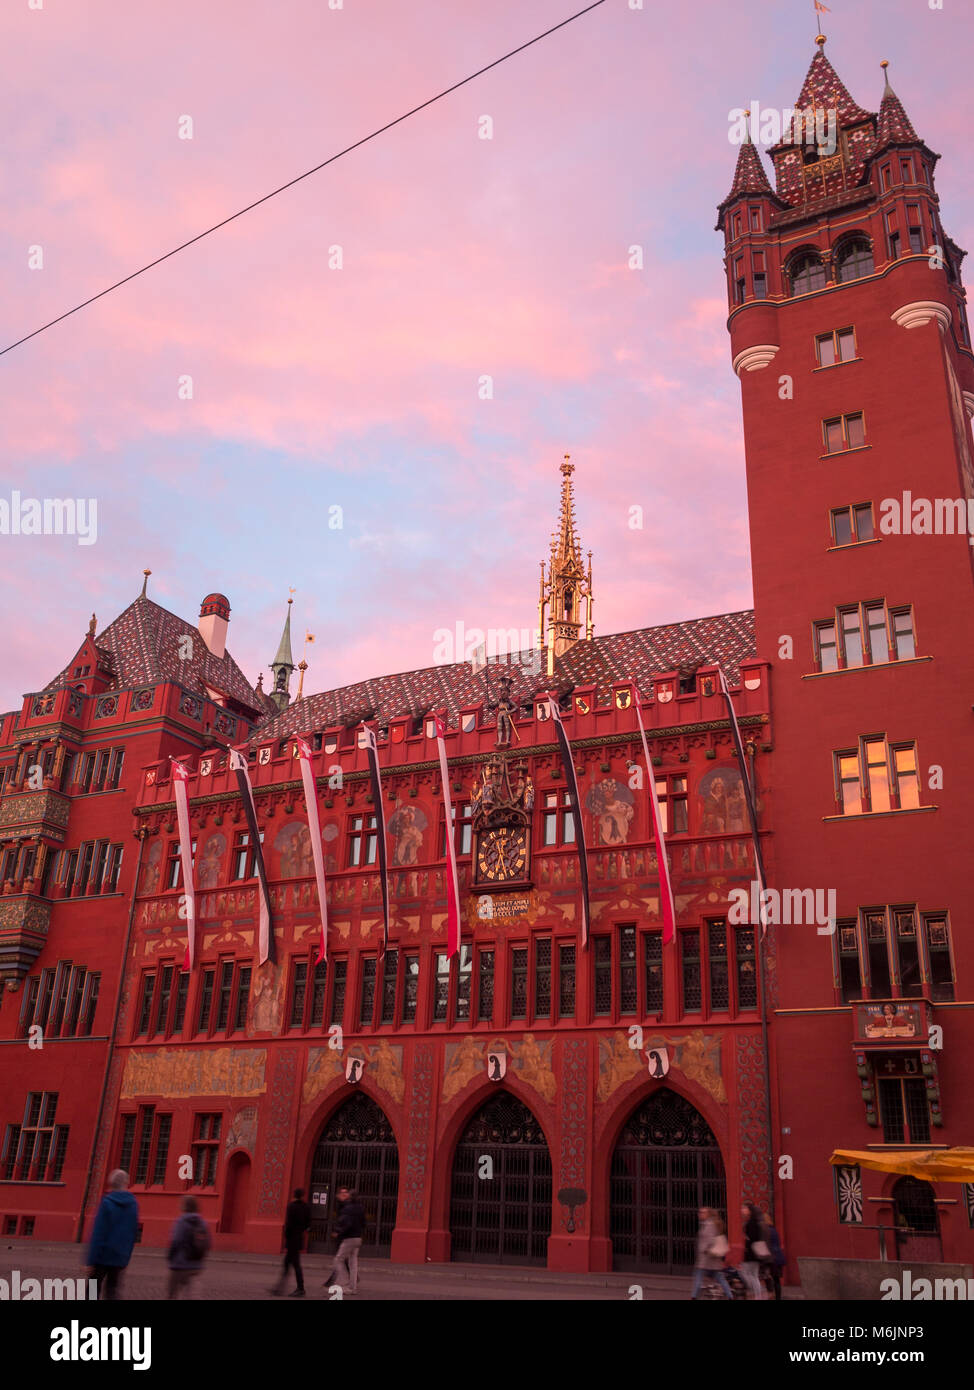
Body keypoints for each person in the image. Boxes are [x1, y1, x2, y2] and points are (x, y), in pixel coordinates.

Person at [86, 1169, 139, 1301]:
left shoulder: (107, 1203)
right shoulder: (133, 1205)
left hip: (102, 1257)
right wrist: (126, 1258)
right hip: (119, 1257)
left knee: (92, 1291)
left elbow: (99, 1233)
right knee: (112, 1291)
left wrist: (91, 1260)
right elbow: (133, 1234)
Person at [166, 1195, 211, 1299]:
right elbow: (208, 1243)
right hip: (196, 1265)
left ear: (184, 1207)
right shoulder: (202, 1223)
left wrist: (170, 1256)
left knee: (172, 1294)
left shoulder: (181, 1221)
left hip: (179, 1264)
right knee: (193, 1295)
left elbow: (176, 1241)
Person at [272, 1187, 312, 1296]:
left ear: (294, 1195)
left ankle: (300, 1288)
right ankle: (279, 1288)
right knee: (288, 1264)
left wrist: (287, 1236)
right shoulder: (306, 1207)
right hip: (299, 1238)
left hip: (292, 1239)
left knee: (294, 1265)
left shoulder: (291, 1206)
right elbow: (308, 1224)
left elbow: (289, 1224)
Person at [690, 1207, 733, 1300]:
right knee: (720, 1278)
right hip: (712, 1260)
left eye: (702, 1212)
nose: (700, 1214)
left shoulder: (709, 1225)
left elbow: (709, 1240)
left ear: (708, 1214)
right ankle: (730, 1296)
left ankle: (694, 1297)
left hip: (706, 1259)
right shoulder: (711, 1224)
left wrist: (704, 1250)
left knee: (698, 1278)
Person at [332, 1188, 366, 1295]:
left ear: (350, 1197)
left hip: (349, 1238)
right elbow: (364, 1223)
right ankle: (353, 1287)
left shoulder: (348, 1209)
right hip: (358, 1238)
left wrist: (339, 1232)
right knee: (353, 1263)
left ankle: (344, 1282)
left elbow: (345, 1223)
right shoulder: (361, 1208)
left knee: (338, 1259)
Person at [740, 1203, 768, 1300]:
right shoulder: (757, 1222)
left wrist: (747, 1239)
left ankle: (758, 1292)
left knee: (744, 1273)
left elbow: (752, 1239)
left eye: (744, 1208)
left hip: (751, 1253)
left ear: (749, 1211)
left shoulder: (750, 1223)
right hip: (755, 1253)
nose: (742, 1210)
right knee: (754, 1276)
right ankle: (758, 1295)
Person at [759, 1209, 786, 1300]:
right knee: (776, 1279)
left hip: (771, 1258)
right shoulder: (774, 1230)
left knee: (767, 1278)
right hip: (778, 1257)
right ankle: (778, 1297)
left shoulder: (766, 1231)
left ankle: (770, 1295)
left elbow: (765, 1245)